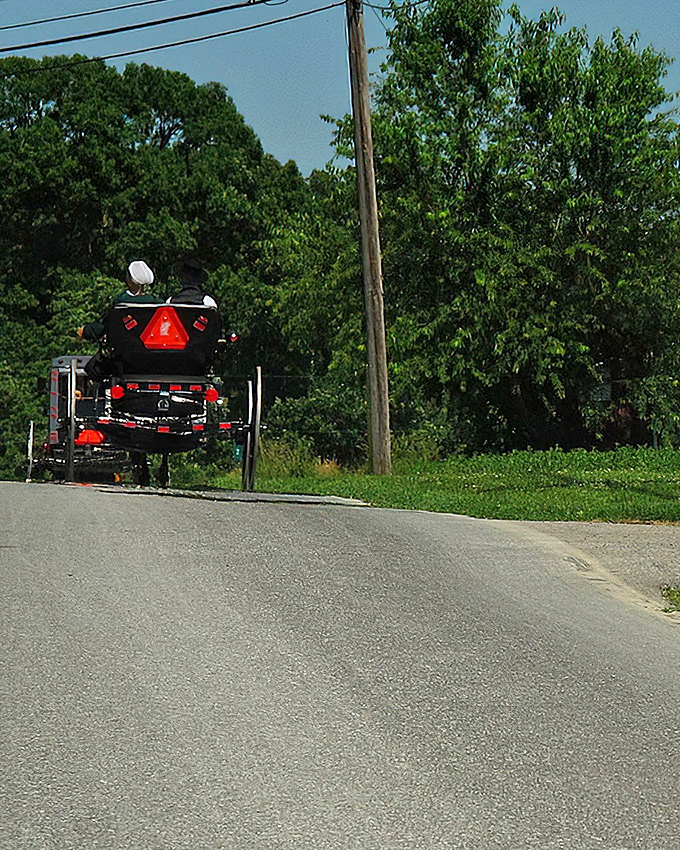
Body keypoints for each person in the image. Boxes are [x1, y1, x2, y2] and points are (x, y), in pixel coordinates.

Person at [77, 260, 159, 342]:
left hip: (124, 349)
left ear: (130, 280)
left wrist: (85, 331)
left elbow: (102, 326)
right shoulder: (157, 304)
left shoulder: (121, 302)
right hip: (153, 347)